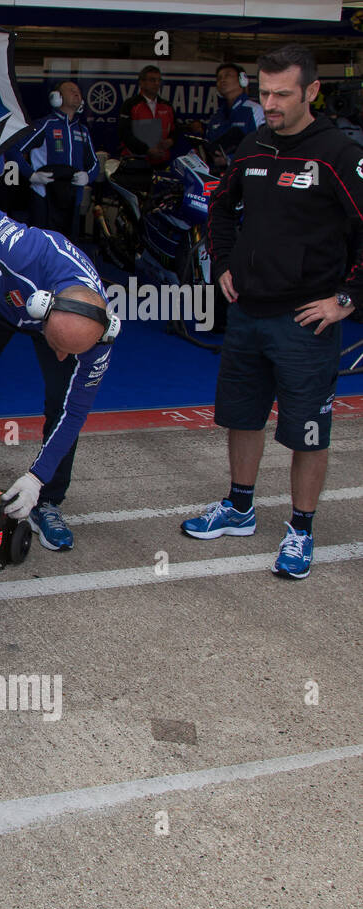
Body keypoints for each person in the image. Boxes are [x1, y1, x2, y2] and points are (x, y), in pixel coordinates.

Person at [182, 44, 363, 579]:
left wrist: (346, 300)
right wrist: (224, 263)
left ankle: (300, 531)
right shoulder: (252, 144)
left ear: (311, 91)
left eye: (282, 94)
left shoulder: (337, 154)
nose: (271, 104)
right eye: (264, 93)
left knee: (308, 431)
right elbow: (220, 203)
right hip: (248, 314)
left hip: (306, 321)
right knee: (242, 416)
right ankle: (239, 508)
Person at [0, 192, 116, 551]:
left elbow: (75, 413)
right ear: (42, 311)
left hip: (57, 321)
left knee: (61, 403)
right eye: (58, 346)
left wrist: (36, 478)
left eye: (71, 352)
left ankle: (49, 501)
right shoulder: (26, 250)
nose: (61, 358)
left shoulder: (99, 337)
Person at [14, 79, 99, 241]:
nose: (76, 93)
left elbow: (95, 163)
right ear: (56, 97)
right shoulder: (45, 124)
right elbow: (13, 150)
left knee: (68, 247)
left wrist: (88, 177)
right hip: (44, 196)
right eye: (71, 90)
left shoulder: (83, 130)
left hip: (72, 198)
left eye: (78, 91)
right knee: (41, 247)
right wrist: (31, 175)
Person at [192, 64, 264, 172]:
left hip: (246, 176)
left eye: (227, 75)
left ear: (242, 80)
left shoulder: (255, 110)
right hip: (219, 177)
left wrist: (230, 160)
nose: (222, 80)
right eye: (219, 78)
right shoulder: (217, 115)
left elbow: (264, 147)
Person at [119, 64, 176, 168]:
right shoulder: (130, 105)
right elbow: (125, 134)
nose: (157, 83)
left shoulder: (167, 106)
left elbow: (175, 130)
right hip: (136, 162)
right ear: (142, 82)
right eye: (152, 80)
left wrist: (170, 141)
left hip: (161, 162)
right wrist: (147, 150)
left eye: (159, 80)